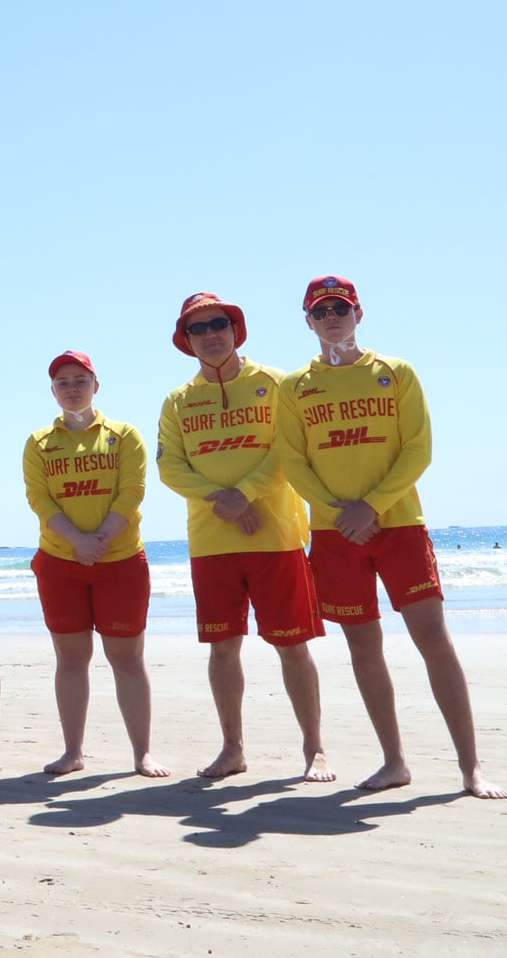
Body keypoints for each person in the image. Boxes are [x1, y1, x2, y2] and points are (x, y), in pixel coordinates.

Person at [273, 276, 506, 798]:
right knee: (364, 647)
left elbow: (417, 449)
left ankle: (470, 768)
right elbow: (293, 460)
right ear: (308, 321)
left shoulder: (395, 373)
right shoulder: (295, 387)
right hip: (336, 535)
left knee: (433, 641)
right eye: (320, 311)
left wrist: (371, 505)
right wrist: (341, 512)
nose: (332, 317)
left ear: (359, 314)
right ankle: (394, 761)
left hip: (399, 525)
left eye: (341, 308)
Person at [156, 292, 333, 783]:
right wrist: (222, 497)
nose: (210, 335)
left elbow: (288, 449)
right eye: (198, 329)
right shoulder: (179, 400)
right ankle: (232, 748)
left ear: (235, 330)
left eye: (218, 324)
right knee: (222, 648)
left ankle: (315, 749)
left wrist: (248, 494)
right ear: (186, 341)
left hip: (276, 536)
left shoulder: (276, 383)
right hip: (212, 542)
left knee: (293, 646)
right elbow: (170, 464)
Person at [22, 350, 167, 778]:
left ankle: (142, 753)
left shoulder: (123, 435)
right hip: (60, 562)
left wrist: (98, 541)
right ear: (53, 391)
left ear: (95, 386)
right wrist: (78, 542)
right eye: (63, 382)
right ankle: (73, 752)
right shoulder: (38, 443)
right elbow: (40, 499)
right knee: (70, 659)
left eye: (80, 380)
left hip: (119, 560)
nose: (72, 388)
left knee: (127, 659)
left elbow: (132, 492)